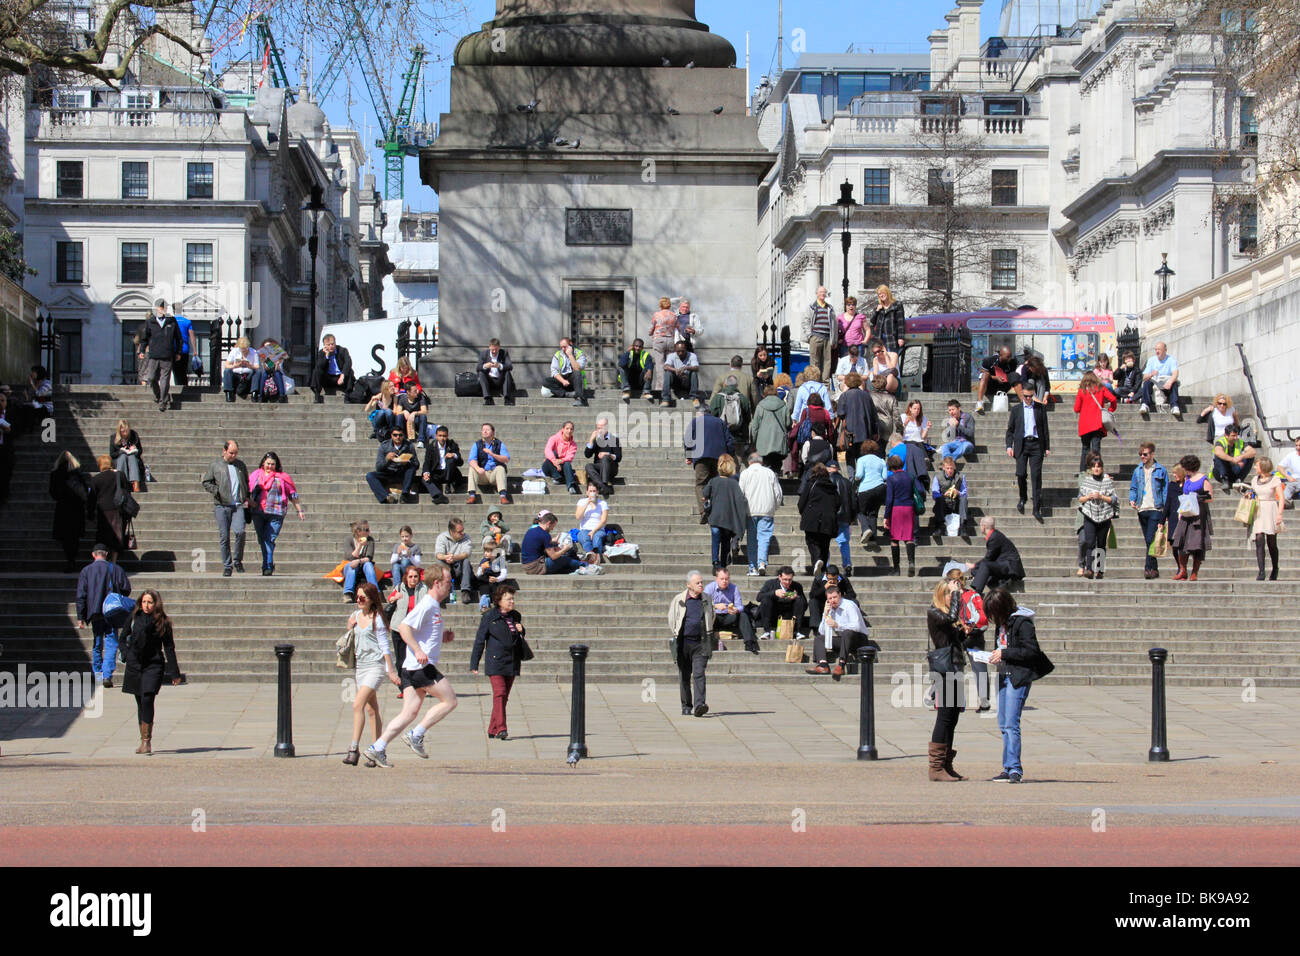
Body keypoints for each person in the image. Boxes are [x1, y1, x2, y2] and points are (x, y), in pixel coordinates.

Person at [364, 565, 458, 768]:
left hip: (412, 667)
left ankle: (377, 748)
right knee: (450, 701)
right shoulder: (427, 604)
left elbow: (422, 633)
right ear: (437, 583)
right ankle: (416, 734)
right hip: (420, 666)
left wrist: (443, 637)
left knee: (409, 712)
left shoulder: (433, 606)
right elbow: (404, 627)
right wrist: (417, 650)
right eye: (448, 581)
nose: (451, 585)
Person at [986, 587, 1054, 783]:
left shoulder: (1022, 622)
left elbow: (1031, 651)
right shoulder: (1002, 624)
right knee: (1003, 722)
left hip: (1018, 675)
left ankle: (1015, 767)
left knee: (1011, 723)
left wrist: (1005, 653)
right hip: (1004, 673)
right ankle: (1007, 766)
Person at [342, 583, 399, 766]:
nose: (358, 601)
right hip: (361, 666)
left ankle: (353, 748)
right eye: (357, 597)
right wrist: (350, 627)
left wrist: (390, 670)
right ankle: (378, 751)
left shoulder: (378, 619)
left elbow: (384, 646)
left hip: (375, 667)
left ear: (371, 599)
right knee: (371, 709)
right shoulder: (355, 616)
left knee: (357, 705)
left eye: (362, 598)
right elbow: (350, 639)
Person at [121, 589, 181, 755]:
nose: (146, 606)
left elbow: (169, 647)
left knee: (148, 698)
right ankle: (142, 740)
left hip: (153, 664)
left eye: (150, 602)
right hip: (135, 665)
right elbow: (122, 638)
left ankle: (147, 741)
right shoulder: (134, 618)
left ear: (156, 604)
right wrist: (126, 654)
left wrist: (175, 672)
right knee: (140, 701)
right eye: (144, 602)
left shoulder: (162, 622)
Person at [925, 576, 969, 781]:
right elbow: (950, 619)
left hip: (955, 665)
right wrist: (957, 594)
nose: (953, 597)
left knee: (953, 716)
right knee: (944, 716)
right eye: (949, 594)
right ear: (942, 595)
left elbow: (955, 638)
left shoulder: (948, 615)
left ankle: (946, 764)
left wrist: (964, 632)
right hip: (944, 669)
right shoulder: (934, 612)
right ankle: (935, 767)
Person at [471, 583, 527, 739]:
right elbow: (480, 640)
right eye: (508, 599)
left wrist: (522, 629)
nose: (512, 602)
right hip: (496, 661)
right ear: (499, 600)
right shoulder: (489, 617)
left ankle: (492, 727)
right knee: (500, 693)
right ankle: (502, 728)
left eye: (513, 599)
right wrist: (474, 663)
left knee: (503, 696)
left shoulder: (515, 615)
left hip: (512, 660)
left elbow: (518, 635)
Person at [76, 542, 130, 686]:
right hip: (112, 612)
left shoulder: (86, 571)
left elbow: (81, 595)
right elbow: (126, 588)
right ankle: (107, 675)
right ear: (106, 554)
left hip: (95, 612)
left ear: (93, 555)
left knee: (97, 642)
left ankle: (98, 674)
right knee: (112, 643)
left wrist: (80, 617)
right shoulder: (116, 569)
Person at [248, 451, 304, 575]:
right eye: (268, 464)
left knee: (270, 538)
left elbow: (292, 495)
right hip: (258, 511)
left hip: (276, 513)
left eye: (273, 464)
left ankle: (267, 565)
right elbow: (246, 490)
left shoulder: (283, 477)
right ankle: (267, 563)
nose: (270, 466)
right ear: (263, 463)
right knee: (262, 539)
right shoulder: (255, 475)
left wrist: (299, 510)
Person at [669, 571, 715, 717]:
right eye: (698, 583)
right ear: (688, 585)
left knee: (699, 674)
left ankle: (700, 704)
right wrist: (676, 634)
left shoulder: (706, 599)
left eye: (702, 582)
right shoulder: (679, 599)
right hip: (683, 643)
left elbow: (711, 616)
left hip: (700, 643)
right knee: (684, 675)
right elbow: (672, 618)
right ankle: (686, 705)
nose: (701, 585)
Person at [806, 584, 872, 680]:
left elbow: (856, 626)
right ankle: (823, 665)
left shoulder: (849, 605)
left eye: (835, 597)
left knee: (847, 632)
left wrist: (838, 625)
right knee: (819, 639)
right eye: (830, 598)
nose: (833, 600)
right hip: (844, 640)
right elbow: (822, 632)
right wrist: (825, 614)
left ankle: (841, 665)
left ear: (840, 595)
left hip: (858, 639)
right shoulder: (830, 609)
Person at [1006, 387, 1050, 521]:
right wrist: (1009, 446)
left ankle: (1036, 507)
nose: (1028, 399)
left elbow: (1045, 428)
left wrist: (1047, 447)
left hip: (1036, 444)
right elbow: (1010, 430)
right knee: (1020, 474)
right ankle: (1023, 497)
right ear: (1022, 395)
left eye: (1031, 396)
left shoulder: (1040, 408)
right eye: (1026, 396)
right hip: (1022, 444)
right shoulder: (1016, 410)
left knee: (1036, 476)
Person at [683, 406, 733, 520]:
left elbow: (688, 440)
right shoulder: (720, 422)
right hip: (718, 457)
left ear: (700, 413)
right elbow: (729, 440)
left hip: (700, 457)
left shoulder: (696, 421)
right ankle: (715, 510)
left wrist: (688, 455)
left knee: (701, 483)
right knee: (716, 483)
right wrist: (729, 455)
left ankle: (704, 509)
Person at [1129, 442, 1169, 579]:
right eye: (1140, 454)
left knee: (1150, 539)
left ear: (1152, 454)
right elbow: (1133, 487)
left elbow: (1165, 491)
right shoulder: (1137, 470)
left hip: (1156, 508)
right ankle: (1155, 568)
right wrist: (1132, 499)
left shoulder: (1161, 470)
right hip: (1142, 508)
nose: (1142, 457)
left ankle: (1148, 569)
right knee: (1148, 540)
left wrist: (1165, 510)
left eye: (1145, 454)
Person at [1170, 454, 1213, 581]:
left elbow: (1210, 497)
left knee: (1196, 544)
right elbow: (1184, 494)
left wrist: (1198, 498)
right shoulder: (1187, 479)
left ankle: (1194, 572)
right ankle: (1183, 570)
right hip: (1186, 514)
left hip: (1198, 514)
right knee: (1180, 542)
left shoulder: (1203, 479)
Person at [1076, 453, 1118, 579]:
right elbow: (1080, 498)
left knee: (1101, 544)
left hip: (1104, 516)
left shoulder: (1107, 481)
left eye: (1098, 466)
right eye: (1094, 466)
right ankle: (1089, 568)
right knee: (1089, 542)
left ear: (1102, 468)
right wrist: (1089, 496)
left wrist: (1102, 497)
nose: (1096, 468)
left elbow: (1114, 499)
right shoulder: (1087, 481)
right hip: (1089, 515)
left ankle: (1099, 570)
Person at [703, 454, 748, 570]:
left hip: (715, 517)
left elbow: (705, 494)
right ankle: (723, 564)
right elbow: (740, 499)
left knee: (715, 539)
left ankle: (715, 562)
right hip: (728, 518)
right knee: (726, 541)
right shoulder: (734, 483)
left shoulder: (713, 481)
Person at [739, 452, 781, 576]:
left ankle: (753, 567)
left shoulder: (745, 473)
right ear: (761, 462)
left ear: (749, 461)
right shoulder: (770, 473)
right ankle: (762, 563)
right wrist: (774, 507)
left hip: (750, 510)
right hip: (767, 509)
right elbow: (778, 493)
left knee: (751, 539)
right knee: (764, 537)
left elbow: (740, 493)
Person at [137, 299, 182, 412]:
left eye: (164, 307)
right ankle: (159, 395)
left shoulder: (172, 321)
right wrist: (142, 350)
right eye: (161, 307)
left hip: (167, 354)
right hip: (154, 355)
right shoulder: (150, 322)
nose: (163, 309)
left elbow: (179, 338)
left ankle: (163, 401)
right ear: (157, 309)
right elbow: (144, 338)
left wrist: (178, 352)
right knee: (151, 378)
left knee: (164, 379)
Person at [1245, 457, 1284, 581]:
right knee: (1259, 539)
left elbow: (1281, 497)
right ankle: (1261, 570)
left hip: (1270, 508)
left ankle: (1275, 568)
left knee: (1271, 542)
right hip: (1258, 509)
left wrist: (1280, 514)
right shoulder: (1254, 480)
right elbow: (1253, 492)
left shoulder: (1275, 479)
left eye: (1257, 465)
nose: (1255, 468)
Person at [882, 454, 921, 576]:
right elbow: (919, 490)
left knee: (894, 538)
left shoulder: (891, 479)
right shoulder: (910, 476)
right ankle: (911, 563)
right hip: (909, 508)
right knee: (909, 537)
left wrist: (886, 516)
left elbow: (889, 499)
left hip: (896, 509)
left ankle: (896, 569)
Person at [798, 462, 839, 577]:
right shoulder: (832, 486)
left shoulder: (811, 484)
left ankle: (817, 560)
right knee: (825, 544)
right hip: (828, 520)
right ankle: (823, 567)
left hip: (812, 518)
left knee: (812, 541)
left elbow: (802, 501)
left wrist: (804, 513)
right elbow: (838, 503)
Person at [50, 451, 89, 571]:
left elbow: (52, 492)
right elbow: (85, 492)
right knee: (74, 536)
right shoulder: (78, 474)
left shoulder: (55, 474)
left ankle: (69, 559)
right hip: (77, 509)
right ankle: (72, 558)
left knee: (66, 537)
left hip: (63, 508)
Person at [704, 566, 758, 652]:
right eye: (722, 579)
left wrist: (736, 609)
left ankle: (749, 642)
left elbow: (740, 606)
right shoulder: (709, 588)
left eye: (727, 579)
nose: (724, 581)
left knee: (743, 615)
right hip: (715, 617)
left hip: (729, 616)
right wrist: (715, 606)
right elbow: (703, 604)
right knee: (707, 614)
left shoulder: (733, 588)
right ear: (716, 579)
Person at [88, 454, 130, 561]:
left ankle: (102, 560)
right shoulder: (120, 476)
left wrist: (90, 515)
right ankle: (114, 562)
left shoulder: (96, 479)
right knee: (117, 536)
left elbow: (91, 499)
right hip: (118, 510)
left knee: (102, 537)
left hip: (103, 511)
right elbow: (127, 491)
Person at [1073, 371, 1118, 472]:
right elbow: (1113, 399)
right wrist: (1110, 410)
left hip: (1084, 425)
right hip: (1097, 424)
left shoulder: (1082, 391)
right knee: (1096, 450)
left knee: (1085, 449)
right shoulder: (1101, 388)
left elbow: (1076, 409)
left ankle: (1083, 473)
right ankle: (1096, 471)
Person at [966, 516, 1025, 592]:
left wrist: (974, 565)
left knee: (983, 565)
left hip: (1009, 567)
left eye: (980, 525)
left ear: (983, 527)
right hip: (1002, 564)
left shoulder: (994, 537)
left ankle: (978, 591)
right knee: (975, 570)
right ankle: (1000, 582)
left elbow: (988, 558)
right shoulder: (994, 535)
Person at [834, 372, 877, 474]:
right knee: (863, 457)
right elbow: (873, 414)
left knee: (850, 458)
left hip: (850, 433)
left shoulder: (844, 396)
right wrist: (875, 431)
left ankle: (852, 482)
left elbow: (840, 413)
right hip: (865, 432)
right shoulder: (866, 395)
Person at [520, 510, 584, 575]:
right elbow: (553, 556)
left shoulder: (531, 530)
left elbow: (539, 548)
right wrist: (565, 549)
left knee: (564, 568)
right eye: (553, 526)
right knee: (565, 559)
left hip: (527, 567)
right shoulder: (545, 534)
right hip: (536, 567)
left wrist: (554, 547)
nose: (552, 529)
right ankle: (585, 565)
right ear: (549, 523)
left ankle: (579, 568)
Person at [367, 426, 419, 504]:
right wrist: (387, 459)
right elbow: (378, 467)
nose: (398, 437)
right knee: (370, 475)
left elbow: (416, 464)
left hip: (402, 473)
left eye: (400, 435)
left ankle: (404, 494)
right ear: (391, 435)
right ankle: (385, 497)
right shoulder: (384, 446)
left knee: (411, 469)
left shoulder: (409, 446)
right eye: (395, 435)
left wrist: (407, 462)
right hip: (388, 473)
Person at [754, 566, 809, 640]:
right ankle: (767, 631)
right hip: (773, 613)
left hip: (789, 615)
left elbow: (804, 605)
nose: (787, 582)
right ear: (779, 577)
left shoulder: (797, 586)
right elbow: (759, 597)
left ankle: (797, 631)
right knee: (766, 600)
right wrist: (774, 593)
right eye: (785, 579)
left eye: (790, 580)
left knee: (799, 601)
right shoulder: (770, 583)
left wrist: (796, 597)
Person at [854, 439, 889, 544]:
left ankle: (865, 529)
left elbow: (859, 475)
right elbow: (885, 476)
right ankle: (873, 538)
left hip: (865, 489)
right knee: (873, 513)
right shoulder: (881, 460)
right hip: (880, 489)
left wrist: (855, 479)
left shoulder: (861, 460)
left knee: (860, 511)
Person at [750, 385, 791, 475]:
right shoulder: (783, 405)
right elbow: (788, 423)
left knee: (764, 467)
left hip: (763, 444)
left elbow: (755, 427)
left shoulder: (760, 406)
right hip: (779, 443)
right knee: (776, 466)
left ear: (764, 394)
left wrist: (753, 441)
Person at [466, 422, 510, 505]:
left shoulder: (499, 444)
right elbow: (471, 460)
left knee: (500, 468)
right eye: (483, 430)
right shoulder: (477, 444)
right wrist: (478, 468)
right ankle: (472, 496)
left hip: (494, 475)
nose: (485, 431)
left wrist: (492, 454)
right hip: (483, 474)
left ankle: (503, 496)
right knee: (472, 468)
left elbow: (506, 459)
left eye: (487, 430)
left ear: (493, 432)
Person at [709, 374, 752, 457]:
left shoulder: (717, 398)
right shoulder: (742, 398)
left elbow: (712, 417)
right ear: (737, 385)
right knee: (737, 463)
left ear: (725, 384)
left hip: (721, 437)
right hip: (739, 437)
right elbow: (748, 419)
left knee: (723, 462)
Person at [826, 460, 857, 572]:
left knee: (825, 542)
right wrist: (852, 517)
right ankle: (847, 564)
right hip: (844, 516)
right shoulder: (847, 482)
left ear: (828, 468)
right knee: (844, 542)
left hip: (829, 517)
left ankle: (826, 565)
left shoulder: (826, 481)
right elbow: (853, 501)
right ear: (838, 469)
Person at [435, 518, 476, 604]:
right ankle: (443, 591)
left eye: (463, 530)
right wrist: (447, 557)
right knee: (440, 563)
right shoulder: (442, 538)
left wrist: (454, 557)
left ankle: (465, 591)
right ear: (452, 531)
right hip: (448, 567)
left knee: (466, 561)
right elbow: (438, 554)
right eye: (459, 531)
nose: (462, 533)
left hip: (460, 568)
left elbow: (466, 553)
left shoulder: (466, 537)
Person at [802, 286, 839, 383]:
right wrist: (810, 335)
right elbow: (805, 321)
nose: (823, 294)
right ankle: (814, 381)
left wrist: (834, 340)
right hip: (815, 336)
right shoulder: (812, 307)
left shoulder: (829, 308)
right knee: (814, 361)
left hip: (827, 338)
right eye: (821, 292)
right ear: (817, 293)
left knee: (827, 362)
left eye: (824, 292)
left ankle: (825, 383)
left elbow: (834, 324)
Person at [808, 564, 857, 634]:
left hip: (839, 604)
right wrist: (824, 588)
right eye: (830, 579)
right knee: (812, 602)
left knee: (854, 602)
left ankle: (850, 623)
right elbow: (812, 595)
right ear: (826, 575)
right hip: (824, 604)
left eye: (835, 579)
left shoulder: (843, 579)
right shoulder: (818, 579)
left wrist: (838, 597)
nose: (833, 581)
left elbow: (852, 594)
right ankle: (816, 627)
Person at [542, 337, 589, 407]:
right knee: (546, 381)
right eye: (561, 347)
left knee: (577, 373)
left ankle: (579, 399)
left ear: (570, 344)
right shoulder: (558, 354)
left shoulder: (579, 354)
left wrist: (570, 355)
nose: (563, 349)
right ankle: (566, 394)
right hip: (563, 379)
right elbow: (554, 371)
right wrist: (563, 381)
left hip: (575, 381)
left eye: (565, 347)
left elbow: (577, 368)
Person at [420, 425, 462, 504]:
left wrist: (454, 455)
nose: (442, 438)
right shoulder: (431, 446)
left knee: (450, 461)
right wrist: (426, 472)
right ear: (436, 436)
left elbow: (460, 462)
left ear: (447, 436)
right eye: (440, 436)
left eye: (444, 436)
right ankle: (438, 495)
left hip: (450, 473)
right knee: (424, 478)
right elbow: (427, 462)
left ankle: (448, 485)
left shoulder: (452, 444)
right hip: (437, 472)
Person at [1139, 341, 1182, 417]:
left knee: (1174, 383)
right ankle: (1145, 404)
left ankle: (1174, 406)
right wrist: (1151, 374)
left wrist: (1170, 382)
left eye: (1159, 349)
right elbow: (1144, 377)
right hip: (1155, 384)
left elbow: (1175, 374)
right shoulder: (1151, 360)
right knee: (1147, 382)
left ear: (1165, 350)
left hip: (1167, 385)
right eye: (1156, 349)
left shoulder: (1171, 360)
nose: (1157, 351)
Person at [583, 416, 622, 496]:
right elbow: (587, 455)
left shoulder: (614, 440)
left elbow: (618, 457)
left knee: (605, 458)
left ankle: (604, 482)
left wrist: (608, 454)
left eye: (601, 428)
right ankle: (603, 486)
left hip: (611, 468)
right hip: (599, 467)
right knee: (588, 466)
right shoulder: (596, 440)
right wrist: (591, 440)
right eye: (598, 428)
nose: (599, 430)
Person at [648, 297, 678, 400]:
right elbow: (677, 327)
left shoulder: (657, 315)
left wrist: (652, 332)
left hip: (659, 340)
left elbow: (650, 330)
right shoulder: (674, 315)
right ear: (669, 305)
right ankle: (669, 386)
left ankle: (660, 388)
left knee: (660, 365)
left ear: (660, 305)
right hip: (670, 340)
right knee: (669, 365)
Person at [310, 334, 355, 403]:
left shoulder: (342, 350)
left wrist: (342, 375)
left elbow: (348, 362)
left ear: (335, 343)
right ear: (324, 345)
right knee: (316, 371)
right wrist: (326, 356)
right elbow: (319, 366)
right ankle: (317, 395)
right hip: (328, 378)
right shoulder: (321, 353)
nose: (331, 346)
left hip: (340, 378)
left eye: (332, 344)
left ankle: (347, 396)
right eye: (328, 345)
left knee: (350, 372)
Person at [930, 456, 969, 535]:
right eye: (947, 468)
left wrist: (958, 492)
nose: (950, 470)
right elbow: (934, 493)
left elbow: (964, 492)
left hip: (956, 503)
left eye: (951, 468)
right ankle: (939, 526)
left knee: (964, 498)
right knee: (939, 498)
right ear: (943, 467)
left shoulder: (961, 476)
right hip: (944, 504)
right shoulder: (938, 477)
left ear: (954, 467)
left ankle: (962, 526)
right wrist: (944, 495)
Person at [342, 520, 379, 601]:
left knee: (369, 565)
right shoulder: (349, 540)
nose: (369, 532)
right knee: (351, 567)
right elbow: (350, 557)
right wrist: (359, 546)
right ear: (359, 532)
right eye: (366, 530)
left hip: (363, 565)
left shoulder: (370, 540)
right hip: (350, 566)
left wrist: (358, 561)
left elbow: (369, 557)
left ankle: (375, 592)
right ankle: (347, 593)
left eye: (368, 529)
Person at [1212, 423, 1256, 490]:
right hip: (1220, 472)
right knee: (1218, 456)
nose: (1235, 438)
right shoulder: (1220, 442)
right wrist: (1232, 459)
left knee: (1250, 456)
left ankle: (1239, 480)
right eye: (1233, 436)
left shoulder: (1240, 441)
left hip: (1235, 470)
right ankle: (1224, 480)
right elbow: (1218, 452)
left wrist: (1241, 457)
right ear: (1226, 435)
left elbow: (1253, 451)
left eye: (1237, 435)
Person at [542, 420, 581, 494]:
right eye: (567, 428)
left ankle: (571, 486)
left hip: (562, 467)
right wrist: (554, 461)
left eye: (571, 429)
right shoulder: (554, 438)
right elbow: (547, 450)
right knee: (552, 454)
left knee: (567, 463)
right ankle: (558, 477)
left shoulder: (573, 445)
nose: (569, 431)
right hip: (550, 466)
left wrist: (560, 461)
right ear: (563, 429)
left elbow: (570, 457)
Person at [975, 346, 1017, 414]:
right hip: (990, 385)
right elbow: (982, 374)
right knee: (985, 375)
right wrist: (996, 378)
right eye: (1007, 356)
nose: (1009, 359)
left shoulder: (1012, 363)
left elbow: (1011, 375)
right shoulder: (989, 361)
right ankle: (979, 403)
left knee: (1015, 375)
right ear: (1000, 355)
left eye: (1010, 356)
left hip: (1004, 385)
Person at [470, 542, 511, 610]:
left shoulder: (500, 561)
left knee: (498, 589)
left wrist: (497, 579)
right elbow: (478, 574)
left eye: (488, 551)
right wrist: (482, 569)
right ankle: (484, 606)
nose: (485, 553)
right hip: (486, 580)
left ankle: (498, 604)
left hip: (496, 580)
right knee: (484, 590)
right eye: (485, 551)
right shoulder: (484, 561)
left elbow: (504, 574)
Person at [899, 400, 931, 485]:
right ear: (910, 408)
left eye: (918, 409)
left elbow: (923, 437)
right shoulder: (903, 416)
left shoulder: (922, 418)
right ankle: (923, 461)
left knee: (918, 443)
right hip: (906, 441)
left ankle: (925, 461)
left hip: (918, 442)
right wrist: (905, 424)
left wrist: (927, 428)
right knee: (913, 445)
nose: (917, 411)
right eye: (915, 408)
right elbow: (899, 434)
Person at [477, 337, 517, 406]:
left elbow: (510, 366)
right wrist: (485, 366)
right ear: (489, 347)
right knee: (481, 373)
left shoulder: (504, 353)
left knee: (507, 372)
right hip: (489, 380)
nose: (494, 352)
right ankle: (487, 398)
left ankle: (507, 398)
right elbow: (478, 368)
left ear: (499, 347)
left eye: (496, 349)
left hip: (500, 380)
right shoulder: (483, 354)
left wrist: (500, 365)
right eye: (492, 350)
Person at [661, 340, 701, 408]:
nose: (680, 353)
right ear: (675, 350)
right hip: (676, 382)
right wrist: (675, 370)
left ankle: (694, 398)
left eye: (682, 351)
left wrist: (686, 368)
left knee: (694, 373)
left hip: (687, 381)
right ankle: (665, 399)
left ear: (686, 349)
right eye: (678, 351)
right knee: (668, 373)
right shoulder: (671, 356)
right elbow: (665, 366)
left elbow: (696, 367)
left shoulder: (692, 355)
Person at [575, 483, 610, 559]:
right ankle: (591, 555)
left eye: (594, 491)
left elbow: (603, 520)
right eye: (590, 491)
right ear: (587, 492)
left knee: (597, 538)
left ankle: (596, 555)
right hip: (585, 529)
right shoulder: (582, 502)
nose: (592, 493)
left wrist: (593, 531)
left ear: (597, 492)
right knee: (584, 538)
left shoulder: (603, 503)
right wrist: (587, 503)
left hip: (598, 529)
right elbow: (578, 517)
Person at [110, 419, 145, 492]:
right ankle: (122, 482)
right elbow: (112, 454)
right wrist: (120, 451)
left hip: (132, 458)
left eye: (126, 431)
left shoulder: (134, 435)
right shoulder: (113, 437)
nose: (125, 433)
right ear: (119, 431)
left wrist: (135, 449)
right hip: (119, 458)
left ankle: (135, 483)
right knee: (123, 457)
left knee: (131, 457)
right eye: (123, 431)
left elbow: (140, 450)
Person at [869, 284, 906, 354]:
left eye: (882, 293)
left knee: (892, 360)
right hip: (880, 339)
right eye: (879, 294)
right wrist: (877, 311)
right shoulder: (879, 307)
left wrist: (900, 338)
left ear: (887, 292)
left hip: (892, 339)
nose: (881, 295)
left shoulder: (897, 305)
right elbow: (872, 321)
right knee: (881, 360)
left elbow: (901, 323)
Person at [251, 337, 289, 404]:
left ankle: (282, 395)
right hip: (269, 373)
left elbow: (278, 368)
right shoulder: (263, 356)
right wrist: (269, 359)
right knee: (265, 374)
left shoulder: (280, 355)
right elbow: (266, 368)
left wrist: (276, 363)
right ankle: (261, 396)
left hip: (277, 374)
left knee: (277, 373)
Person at [1164, 463, 1186, 574]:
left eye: (1176, 473)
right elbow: (1167, 502)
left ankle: (1183, 568)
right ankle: (1180, 566)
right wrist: (1162, 520)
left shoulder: (1188, 485)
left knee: (1182, 545)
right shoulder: (1172, 485)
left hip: (1184, 518)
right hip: (1173, 518)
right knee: (1174, 545)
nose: (1174, 475)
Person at [222, 335, 259, 402]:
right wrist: (235, 365)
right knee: (227, 371)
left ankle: (254, 393)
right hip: (237, 374)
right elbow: (227, 365)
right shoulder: (234, 351)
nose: (243, 351)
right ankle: (229, 393)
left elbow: (257, 366)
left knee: (257, 372)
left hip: (248, 374)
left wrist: (250, 365)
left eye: (245, 349)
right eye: (242, 349)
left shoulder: (253, 352)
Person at [618, 338, 654, 403]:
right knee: (622, 367)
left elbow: (650, 364)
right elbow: (622, 364)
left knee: (649, 369)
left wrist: (649, 371)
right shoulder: (629, 353)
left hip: (640, 382)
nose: (637, 348)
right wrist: (627, 352)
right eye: (636, 346)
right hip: (629, 382)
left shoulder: (646, 355)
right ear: (632, 346)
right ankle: (626, 391)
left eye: (640, 347)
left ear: (642, 348)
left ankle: (646, 391)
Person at [750, 346, 776, 410]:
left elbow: (771, 373)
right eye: (760, 355)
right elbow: (754, 375)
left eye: (764, 355)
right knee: (758, 402)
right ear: (757, 355)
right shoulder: (754, 362)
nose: (763, 357)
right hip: (758, 383)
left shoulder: (771, 361)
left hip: (768, 382)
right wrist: (757, 375)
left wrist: (768, 376)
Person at [1278, 435, 1300, 503]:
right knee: (1289, 487)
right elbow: (1280, 466)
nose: (1298, 448)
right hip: (1294, 480)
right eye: (1296, 445)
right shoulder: (1292, 455)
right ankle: (1284, 502)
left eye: (1299, 445)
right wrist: (1287, 476)